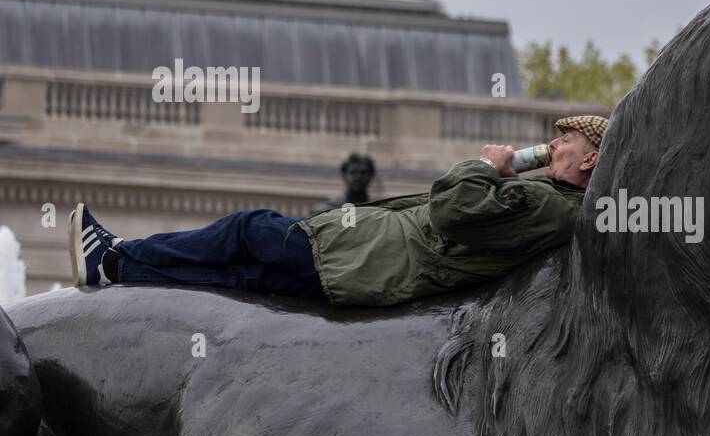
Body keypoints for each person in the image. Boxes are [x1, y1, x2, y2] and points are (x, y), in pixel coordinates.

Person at [68, 115, 607, 308]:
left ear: (591, 158)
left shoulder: (554, 206)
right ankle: (118, 270)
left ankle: (119, 253)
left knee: (246, 229)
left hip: (365, 256)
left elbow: (450, 210)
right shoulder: (550, 203)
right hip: (369, 268)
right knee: (240, 277)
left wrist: (486, 167)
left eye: (565, 139)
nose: (553, 143)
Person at [311, 153, 376, 214]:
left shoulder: (376, 212)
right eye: (353, 172)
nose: (358, 177)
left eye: (363, 173)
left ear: (371, 176)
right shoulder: (326, 210)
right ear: (344, 175)